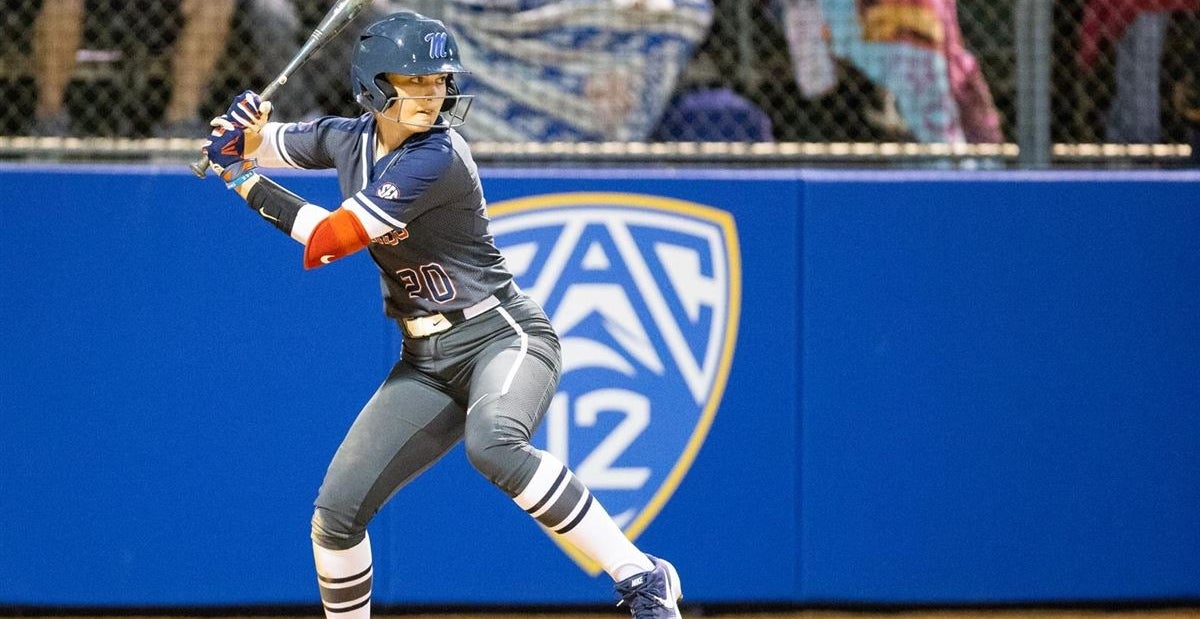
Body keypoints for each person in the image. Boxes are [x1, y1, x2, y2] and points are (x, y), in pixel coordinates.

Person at [199, 11, 685, 619]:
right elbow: (256, 143)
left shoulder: (437, 157)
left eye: (438, 82)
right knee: (336, 516)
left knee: (495, 445)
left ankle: (642, 577)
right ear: (375, 87)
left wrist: (241, 179)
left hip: (500, 336)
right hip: (424, 359)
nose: (433, 95)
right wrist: (238, 128)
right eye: (416, 82)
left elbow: (328, 239)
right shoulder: (345, 137)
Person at [28, 0, 234, 136]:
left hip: (165, 8)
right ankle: (49, 121)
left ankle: (181, 123)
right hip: (100, 8)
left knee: (215, 3)